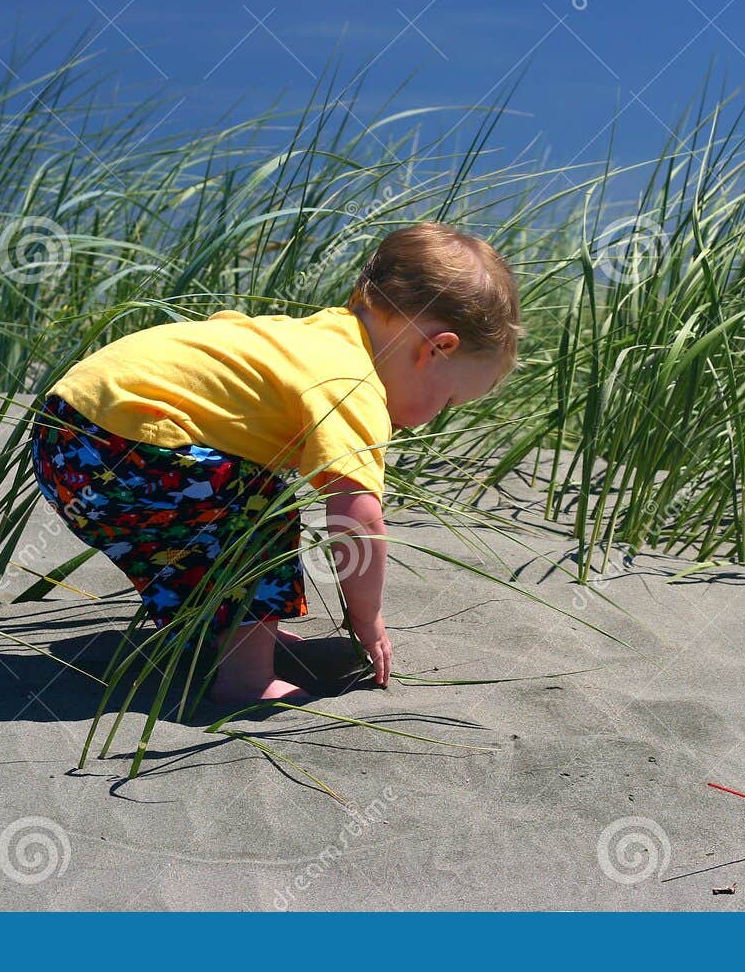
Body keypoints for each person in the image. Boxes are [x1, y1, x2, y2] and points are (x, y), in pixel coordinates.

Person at [29, 222, 521, 704]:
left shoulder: (312, 335)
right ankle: (245, 676)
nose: (431, 419)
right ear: (436, 349)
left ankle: (221, 633)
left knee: (210, 522)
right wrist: (366, 616)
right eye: (449, 400)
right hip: (122, 444)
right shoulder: (352, 382)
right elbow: (358, 519)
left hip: (64, 439)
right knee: (261, 513)